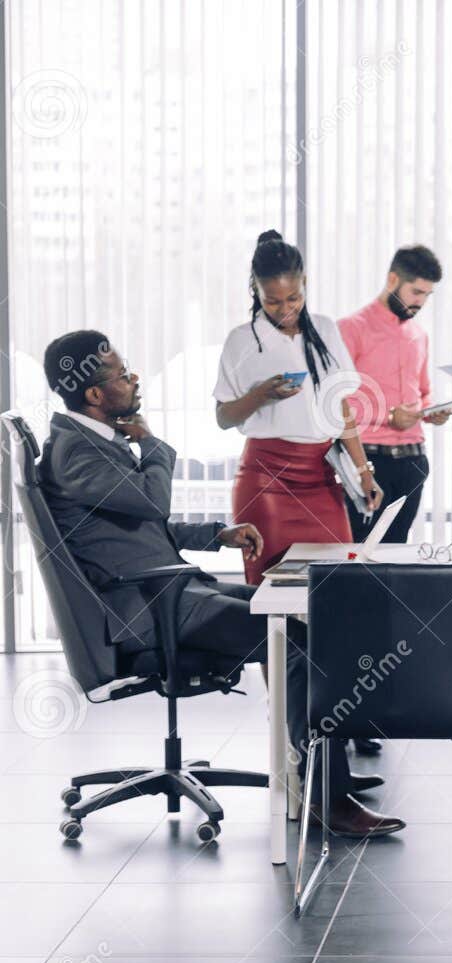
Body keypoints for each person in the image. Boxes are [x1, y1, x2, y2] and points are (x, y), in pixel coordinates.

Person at [39, 331, 403, 838]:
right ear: (94, 395)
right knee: (301, 642)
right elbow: (150, 504)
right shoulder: (74, 453)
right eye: (122, 374)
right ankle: (327, 796)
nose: (133, 377)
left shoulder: (89, 441)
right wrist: (151, 442)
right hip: (153, 612)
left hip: (172, 595)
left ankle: (322, 772)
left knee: (310, 615)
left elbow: (132, 525)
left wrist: (217, 534)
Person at [215, 231, 383, 586]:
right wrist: (261, 395)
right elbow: (223, 417)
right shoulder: (241, 340)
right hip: (266, 480)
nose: (286, 308)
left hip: (321, 478)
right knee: (275, 592)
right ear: (256, 291)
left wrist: (363, 472)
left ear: (305, 284)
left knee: (338, 585)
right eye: (273, 301)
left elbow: (341, 408)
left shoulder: (325, 330)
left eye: (294, 297)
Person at [339, 244, 451, 544]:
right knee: (361, 555)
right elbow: (334, 403)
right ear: (392, 281)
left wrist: (432, 410)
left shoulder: (419, 334)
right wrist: (388, 416)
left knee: (397, 553)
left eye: (428, 295)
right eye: (416, 292)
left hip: (413, 462)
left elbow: (423, 393)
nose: (421, 302)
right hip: (369, 461)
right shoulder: (351, 329)